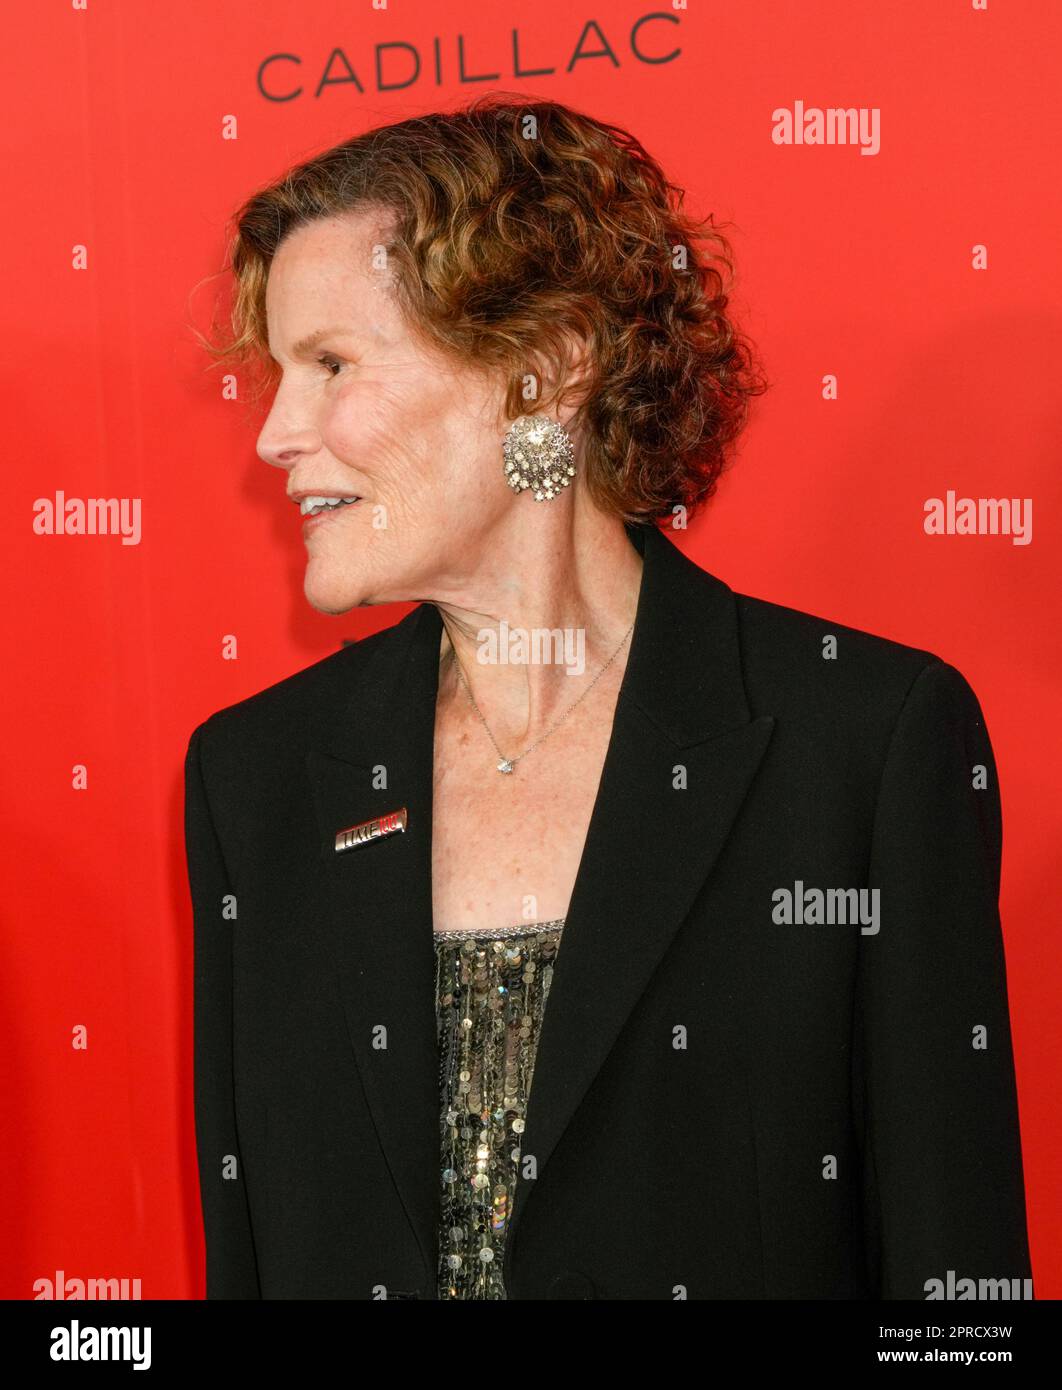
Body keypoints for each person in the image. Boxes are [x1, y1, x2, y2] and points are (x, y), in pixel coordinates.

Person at [184, 95, 1032, 1300]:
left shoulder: (862, 743)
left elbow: (958, 1292)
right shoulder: (254, 778)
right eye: (278, 374)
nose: (275, 433)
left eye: (330, 366)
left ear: (542, 371)